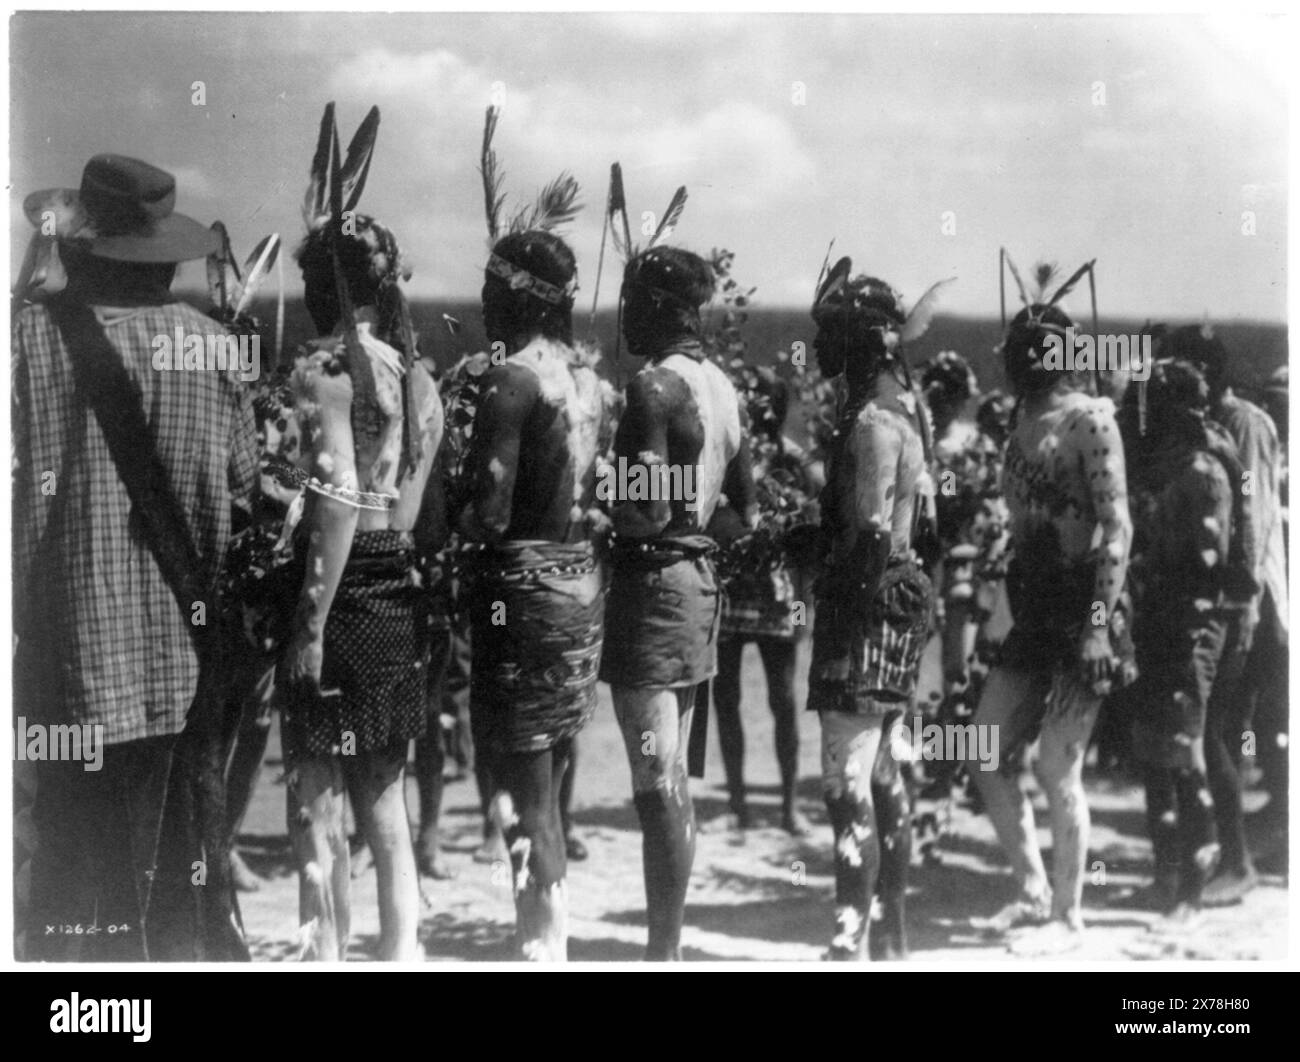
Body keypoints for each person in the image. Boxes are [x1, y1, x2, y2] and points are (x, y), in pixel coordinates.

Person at [13, 154, 258, 960]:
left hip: (65, 662)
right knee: (177, 883)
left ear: (87, 246)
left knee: (68, 888)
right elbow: (244, 502)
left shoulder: (28, 344)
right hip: (184, 665)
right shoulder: (217, 350)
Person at [277, 106, 443, 961]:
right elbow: (401, 514)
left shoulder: (323, 373)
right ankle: (403, 954)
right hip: (393, 591)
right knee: (385, 798)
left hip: (338, 592)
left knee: (314, 794)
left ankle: (325, 957)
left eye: (311, 283)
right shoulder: (420, 379)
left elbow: (334, 500)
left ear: (328, 287)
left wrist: (307, 625)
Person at [457, 122, 606, 959]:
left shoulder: (513, 382)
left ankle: (539, 947)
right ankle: (547, 935)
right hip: (579, 582)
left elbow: (490, 507)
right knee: (548, 770)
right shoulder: (589, 380)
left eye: (489, 292)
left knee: (524, 787)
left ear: (513, 298)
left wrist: (444, 510)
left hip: (519, 591)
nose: (481, 305)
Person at [966, 297, 1135, 956]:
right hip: (1035, 610)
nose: (1016, 359)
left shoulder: (1091, 422)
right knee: (984, 749)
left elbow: (1117, 526)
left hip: (1086, 608)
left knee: (1056, 765)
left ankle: (1069, 917)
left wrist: (1098, 626)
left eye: (1027, 347)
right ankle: (1034, 893)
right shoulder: (1024, 419)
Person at [601, 244, 756, 961]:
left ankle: (661, 954)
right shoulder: (722, 388)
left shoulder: (655, 389)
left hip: (654, 585)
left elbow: (645, 514)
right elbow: (740, 515)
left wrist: (600, 492)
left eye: (632, 300)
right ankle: (667, 946)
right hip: (698, 586)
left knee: (656, 783)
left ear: (659, 307)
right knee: (672, 780)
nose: (621, 314)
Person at [805, 261, 937, 960]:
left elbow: (874, 532)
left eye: (830, 335)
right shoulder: (905, 412)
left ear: (860, 342)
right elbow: (913, 530)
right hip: (900, 601)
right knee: (886, 773)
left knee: (846, 781)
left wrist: (844, 615)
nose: (818, 349)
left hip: (868, 606)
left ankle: (850, 942)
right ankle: (889, 939)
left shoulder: (872, 424)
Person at [1160, 326, 1285, 904]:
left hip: (1248, 602)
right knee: (1220, 736)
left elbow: (1253, 518)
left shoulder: (1244, 426)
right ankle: (1222, 858)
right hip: (1241, 601)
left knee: (1219, 736)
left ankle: (1234, 862)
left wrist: (1249, 604)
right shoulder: (1213, 431)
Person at [1118, 358, 1246, 919]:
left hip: (1195, 620)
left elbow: (1208, 560)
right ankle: (1166, 874)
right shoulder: (1163, 466)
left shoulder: (1201, 470)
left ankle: (1192, 888)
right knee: (1153, 747)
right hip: (1160, 617)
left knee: (1184, 747)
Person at [709, 367, 816, 836]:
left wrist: (805, 606)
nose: (758, 410)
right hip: (731, 588)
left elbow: (808, 540)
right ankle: (737, 804)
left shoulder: (794, 462)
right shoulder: (727, 456)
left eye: (765, 402)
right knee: (725, 696)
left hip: (776, 593)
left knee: (783, 699)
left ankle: (789, 804)